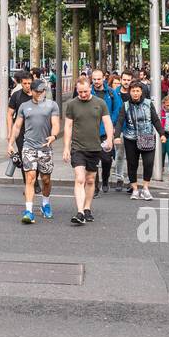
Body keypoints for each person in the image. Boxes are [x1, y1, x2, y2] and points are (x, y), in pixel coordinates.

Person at [62, 76, 115, 225]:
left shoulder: (100, 103)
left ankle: (87, 208)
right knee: (80, 179)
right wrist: (66, 147)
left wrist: (110, 139)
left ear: (90, 88)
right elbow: (68, 127)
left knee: (90, 180)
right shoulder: (72, 104)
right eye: (80, 92)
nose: (83, 95)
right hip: (78, 147)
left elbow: (107, 122)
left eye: (85, 91)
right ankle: (79, 212)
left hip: (95, 147)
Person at [8, 80, 60, 223]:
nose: (40, 93)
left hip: (45, 148)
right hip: (28, 147)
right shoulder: (24, 107)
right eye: (37, 91)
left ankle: (45, 204)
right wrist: (10, 143)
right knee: (30, 178)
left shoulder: (52, 105)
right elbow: (17, 126)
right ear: (31, 91)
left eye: (43, 90)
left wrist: (53, 136)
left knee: (46, 179)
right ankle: (29, 211)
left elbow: (56, 124)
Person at [118, 81, 165, 200]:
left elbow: (155, 119)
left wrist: (162, 134)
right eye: (133, 91)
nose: (135, 93)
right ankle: (134, 189)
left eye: (137, 91)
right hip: (130, 138)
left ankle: (145, 188)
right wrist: (116, 136)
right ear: (130, 92)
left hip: (147, 137)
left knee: (148, 163)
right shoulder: (126, 105)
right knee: (132, 164)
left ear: (141, 92)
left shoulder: (148, 104)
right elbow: (120, 121)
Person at [88, 69, 121, 195]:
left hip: (105, 132)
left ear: (103, 79)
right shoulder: (88, 92)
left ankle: (105, 180)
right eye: (94, 79)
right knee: (93, 161)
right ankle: (94, 187)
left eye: (99, 79)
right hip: (91, 132)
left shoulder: (111, 93)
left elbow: (117, 108)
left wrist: (110, 123)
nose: (96, 81)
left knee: (107, 159)